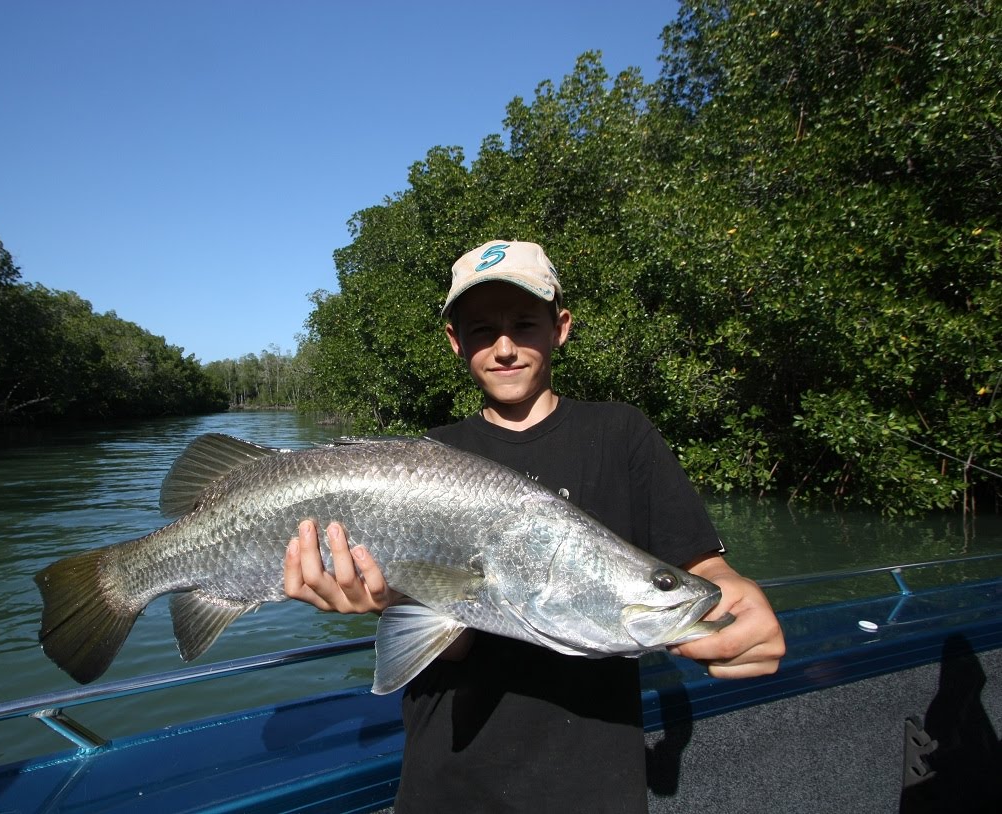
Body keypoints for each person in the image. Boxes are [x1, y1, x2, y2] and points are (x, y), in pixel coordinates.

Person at [284, 240, 786, 812]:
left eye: (524, 324)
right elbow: (447, 638)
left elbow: (700, 567)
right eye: (479, 331)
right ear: (455, 341)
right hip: (447, 786)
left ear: (560, 327)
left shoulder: (624, 434)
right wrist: (385, 601)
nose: (503, 349)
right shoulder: (429, 457)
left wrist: (734, 599)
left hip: (596, 788)